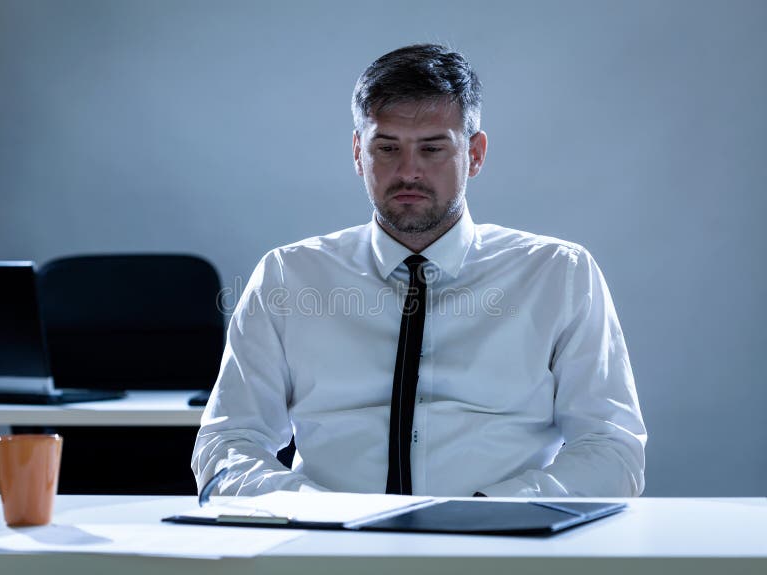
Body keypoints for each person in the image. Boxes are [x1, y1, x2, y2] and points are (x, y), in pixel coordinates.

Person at [192, 44, 646, 498]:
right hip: (330, 554)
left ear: (476, 153)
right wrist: (318, 515)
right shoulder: (288, 277)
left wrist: (489, 515)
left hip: (501, 554)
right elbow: (227, 444)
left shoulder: (558, 275)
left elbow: (612, 448)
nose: (408, 171)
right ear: (357, 152)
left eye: (432, 149)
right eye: (387, 148)